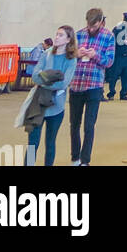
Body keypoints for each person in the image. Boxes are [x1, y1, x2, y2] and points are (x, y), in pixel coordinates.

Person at [24, 26, 77, 167]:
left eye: (61, 35)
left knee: (50, 142)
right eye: (57, 34)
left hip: (56, 106)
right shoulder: (46, 54)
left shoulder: (71, 60)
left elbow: (64, 83)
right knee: (32, 143)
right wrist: (51, 78)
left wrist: (44, 79)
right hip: (38, 104)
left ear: (68, 39)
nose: (57, 37)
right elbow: (35, 76)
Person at [69, 8, 115, 167]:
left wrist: (95, 55)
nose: (91, 29)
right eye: (89, 25)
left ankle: (85, 159)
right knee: (74, 124)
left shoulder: (109, 36)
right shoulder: (79, 34)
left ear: (101, 22)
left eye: (94, 26)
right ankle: (75, 157)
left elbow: (109, 62)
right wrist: (77, 53)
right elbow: (68, 55)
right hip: (76, 84)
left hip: (94, 85)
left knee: (89, 125)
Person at [105, 11, 127, 101]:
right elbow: (112, 42)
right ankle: (111, 93)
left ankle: (124, 94)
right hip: (118, 56)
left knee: (126, 77)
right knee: (114, 76)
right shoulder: (117, 29)